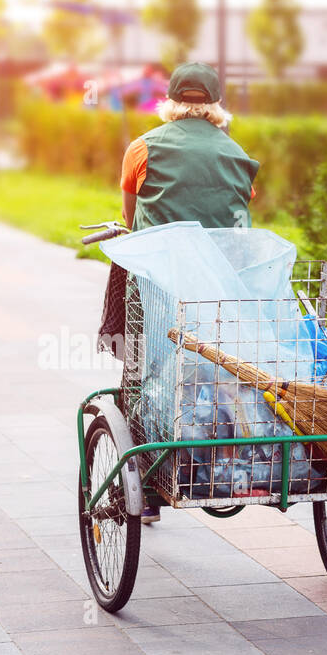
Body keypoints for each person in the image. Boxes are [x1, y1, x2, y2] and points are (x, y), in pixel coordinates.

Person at [99, 62, 260, 524]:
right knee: (215, 371)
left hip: (159, 290)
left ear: (169, 102)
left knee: (141, 375)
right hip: (220, 290)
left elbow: (130, 217)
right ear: (216, 106)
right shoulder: (237, 154)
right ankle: (220, 461)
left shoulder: (143, 147)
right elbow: (239, 210)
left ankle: (145, 490)